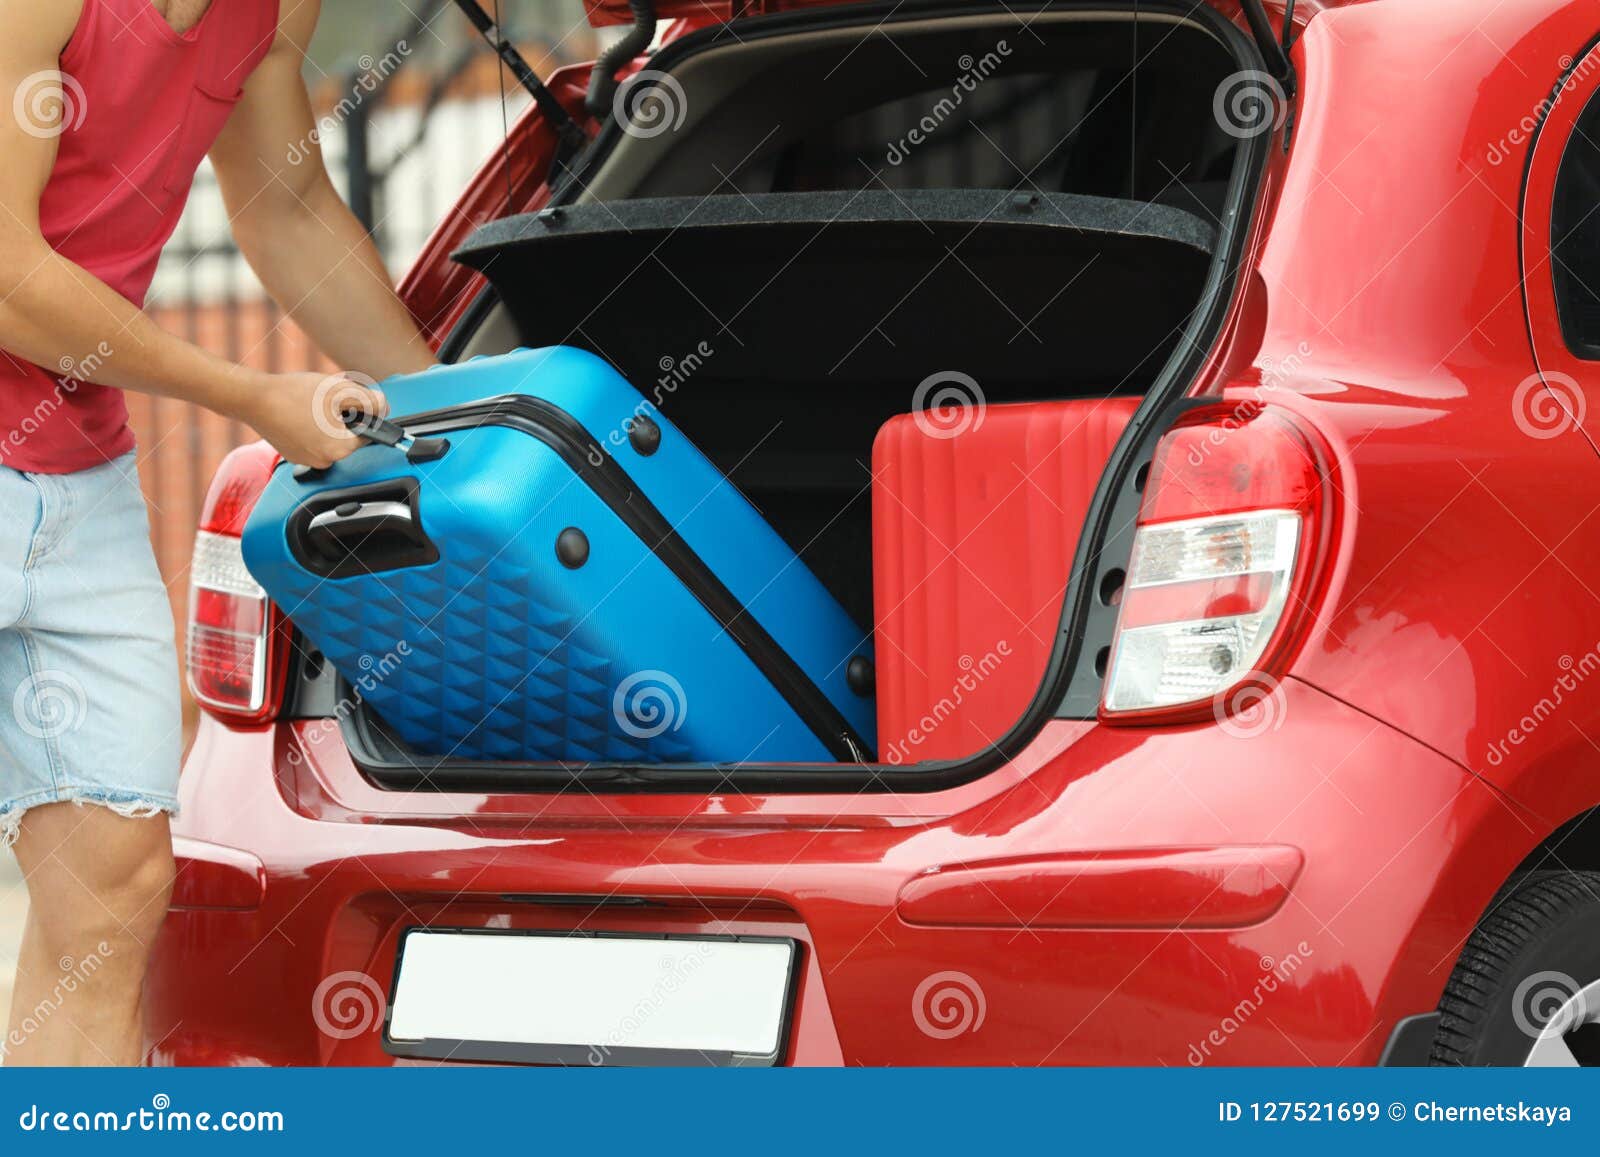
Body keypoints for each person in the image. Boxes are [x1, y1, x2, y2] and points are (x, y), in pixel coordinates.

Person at [0, 0, 435, 1065]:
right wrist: (247, 392)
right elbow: (6, 273)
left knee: (110, 888)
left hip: (75, 476)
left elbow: (286, 205)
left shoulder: (273, 8)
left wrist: (454, 413)